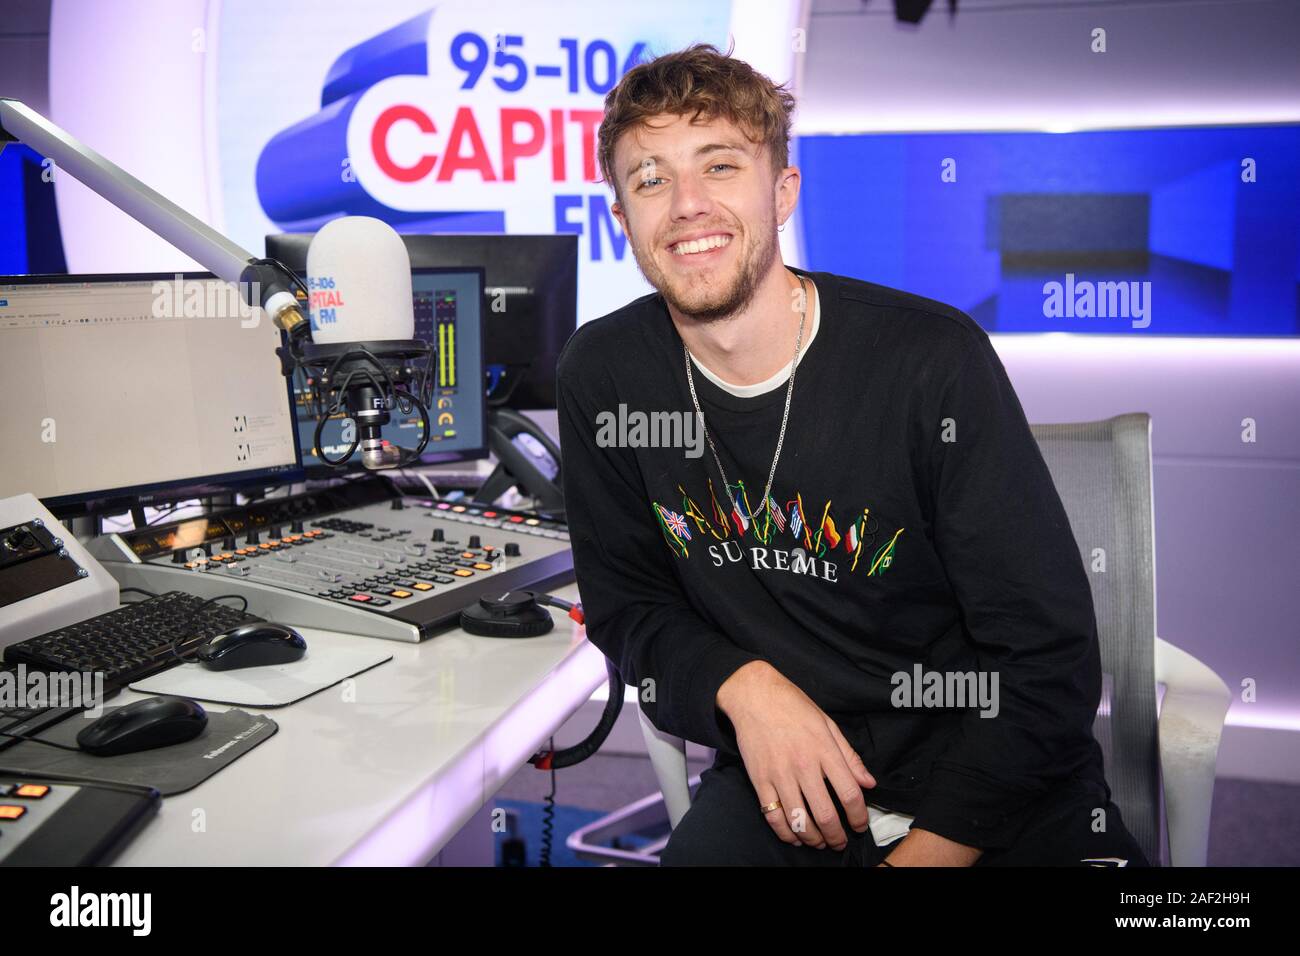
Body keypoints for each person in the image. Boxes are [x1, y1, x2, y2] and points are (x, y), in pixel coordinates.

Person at [556, 42, 1149, 867]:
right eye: (649, 178)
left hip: (995, 783)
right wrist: (746, 687)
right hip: (790, 779)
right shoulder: (604, 373)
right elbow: (630, 609)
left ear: (783, 192)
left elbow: (1045, 658)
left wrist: (934, 849)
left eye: (720, 166)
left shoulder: (930, 360)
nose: (686, 204)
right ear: (621, 217)